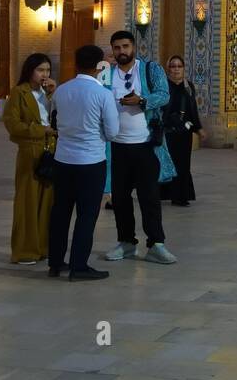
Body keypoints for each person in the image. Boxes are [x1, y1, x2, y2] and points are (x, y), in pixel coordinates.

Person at [99, 30, 177, 265]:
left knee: (149, 197)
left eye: (125, 46)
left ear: (133, 47)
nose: (121, 51)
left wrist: (142, 101)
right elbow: (97, 98)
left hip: (145, 145)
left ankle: (156, 244)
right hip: (117, 146)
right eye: (117, 48)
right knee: (120, 199)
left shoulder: (150, 69)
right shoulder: (106, 74)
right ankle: (126, 242)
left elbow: (164, 95)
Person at [48, 45, 119, 281]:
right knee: (87, 215)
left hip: (63, 160)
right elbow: (112, 132)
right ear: (100, 66)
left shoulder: (62, 91)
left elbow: (54, 122)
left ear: (76, 64)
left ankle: (56, 263)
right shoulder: (103, 94)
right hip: (90, 162)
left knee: (60, 213)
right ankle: (79, 266)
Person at [3, 53, 57, 264]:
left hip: (51, 150)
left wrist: (53, 94)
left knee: (47, 203)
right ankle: (25, 250)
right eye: (40, 70)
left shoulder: (49, 93)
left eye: (48, 70)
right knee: (28, 201)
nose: (45, 74)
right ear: (30, 70)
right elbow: (12, 123)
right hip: (30, 150)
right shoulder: (19, 92)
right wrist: (40, 130)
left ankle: (42, 247)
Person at [160, 55, 205, 206]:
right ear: (168, 69)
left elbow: (193, 109)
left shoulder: (188, 86)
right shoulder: (164, 86)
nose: (176, 69)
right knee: (169, 162)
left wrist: (198, 128)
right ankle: (167, 194)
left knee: (183, 163)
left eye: (179, 66)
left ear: (184, 68)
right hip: (168, 132)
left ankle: (181, 195)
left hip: (184, 132)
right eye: (173, 66)